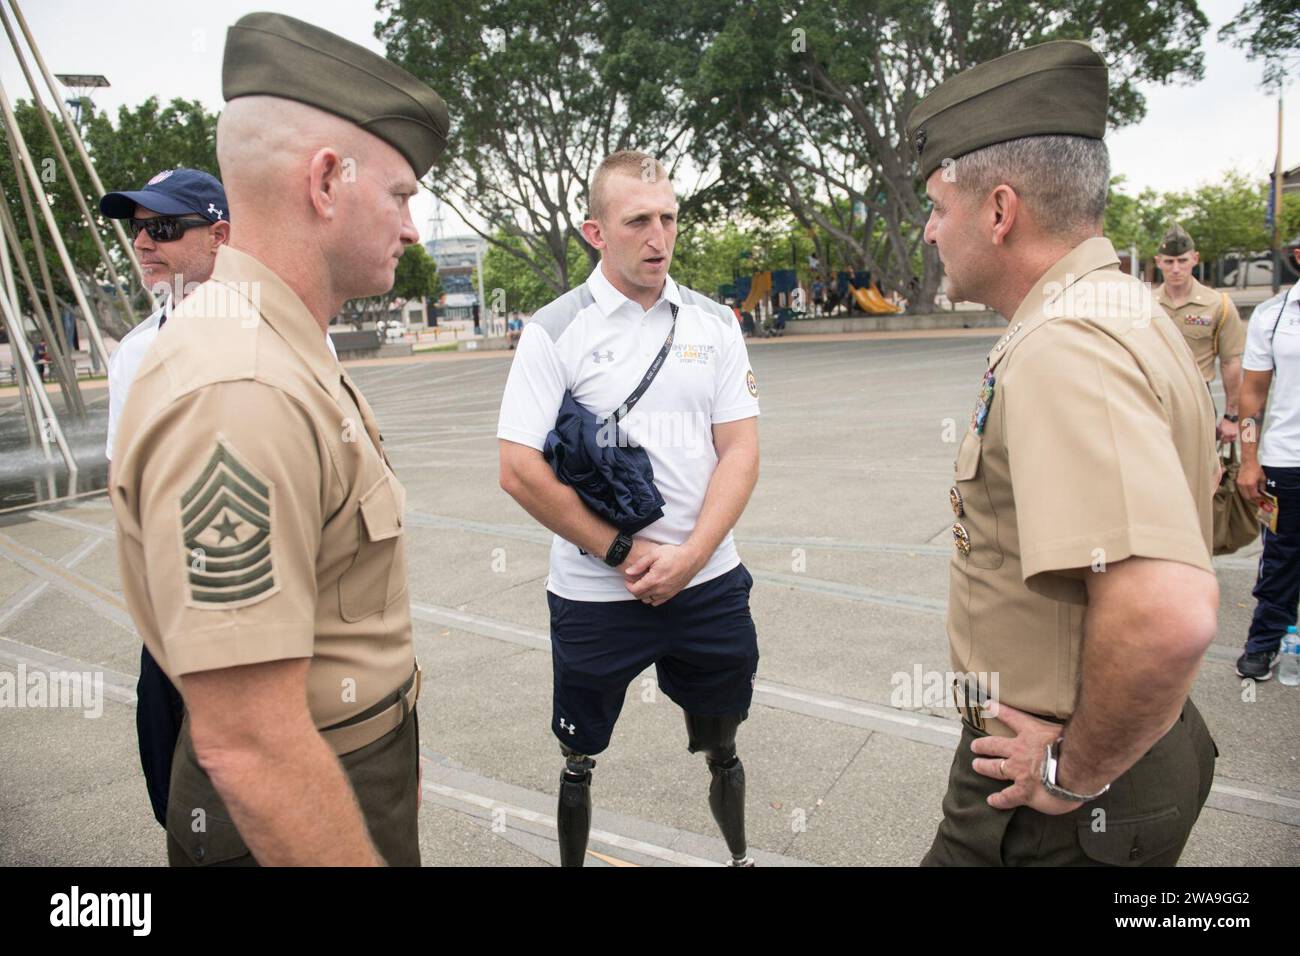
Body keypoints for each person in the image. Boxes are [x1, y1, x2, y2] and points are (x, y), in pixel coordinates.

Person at [108, 11, 449, 866]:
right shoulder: (241, 385)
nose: (412, 227)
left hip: (342, 766)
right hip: (291, 805)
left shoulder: (278, 344)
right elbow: (252, 746)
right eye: (402, 195)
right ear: (327, 180)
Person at [906, 39, 1219, 866]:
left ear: (1000, 211)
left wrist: (1071, 772)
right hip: (1127, 751)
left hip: (1060, 804)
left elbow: (1167, 613)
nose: (931, 230)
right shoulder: (1126, 304)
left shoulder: (1065, 343)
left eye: (938, 206)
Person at [497, 150, 762, 867]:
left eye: (669, 218)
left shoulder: (714, 324)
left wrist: (692, 554)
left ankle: (738, 857)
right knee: (578, 755)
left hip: (706, 584)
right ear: (595, 231)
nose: (659, 236)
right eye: (638, 220)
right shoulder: (555, 330)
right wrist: (622, 552)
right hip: (595, 593)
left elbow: (740, 450)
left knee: (722, 742)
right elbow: (518, 470)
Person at [99, 168, 232, 828]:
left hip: (261, 609)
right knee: (172, 792)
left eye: (164, 228)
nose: (143, 242)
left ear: (219, 237)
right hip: (173, 618)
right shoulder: (133, 354)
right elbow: (124, 482)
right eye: (137, 228)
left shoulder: (277, 331)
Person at [1234, 240, 1300, 679]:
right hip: (1286, 461)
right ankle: (1265, 643)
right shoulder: (1275, 315)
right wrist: (1249, 458)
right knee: (1281, 560)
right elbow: (1252, 394)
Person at [1153, 223, 1246, 442]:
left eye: (1182, 260)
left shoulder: (1218, 304)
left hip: (1197, 398)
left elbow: (1230, 362)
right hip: (1154, 398)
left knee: (1200, 473)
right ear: (1159, 263)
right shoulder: (1144, 305)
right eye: (1169, 261)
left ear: (1195, 259)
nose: (1176, 268)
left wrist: (1231, 416)